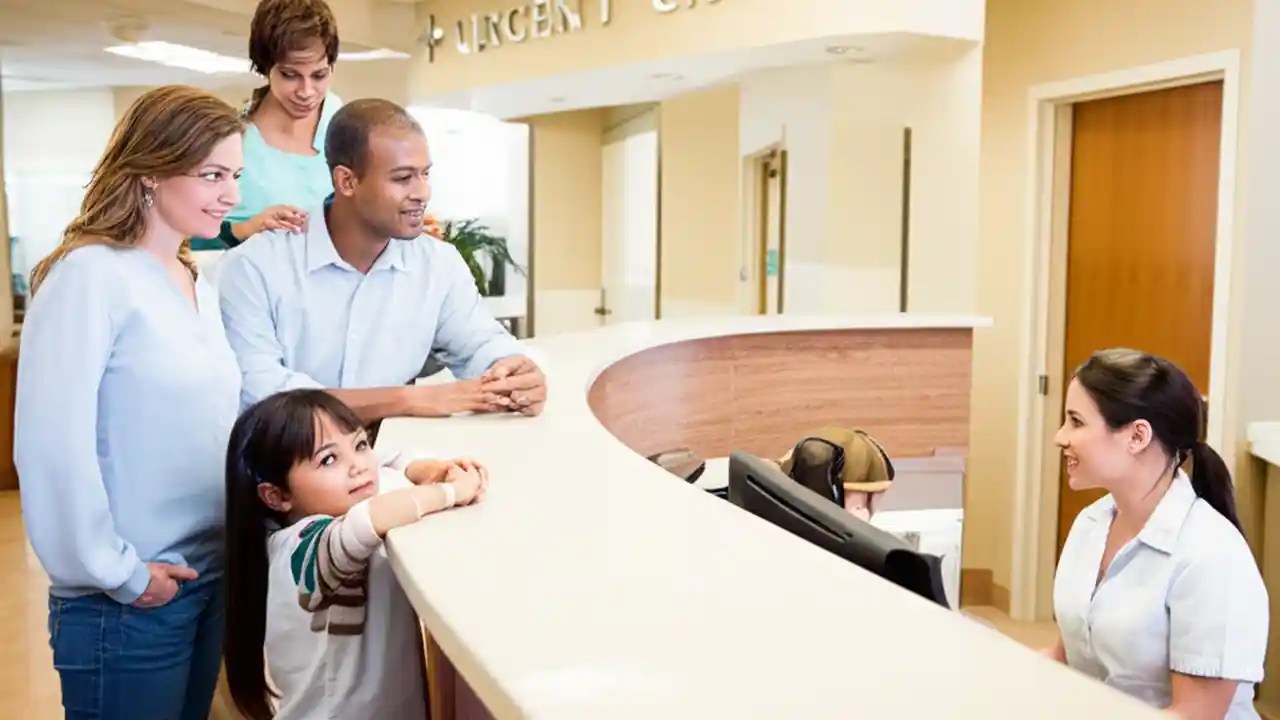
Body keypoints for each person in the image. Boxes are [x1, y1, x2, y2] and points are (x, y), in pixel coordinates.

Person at [14, 86, 245, 719]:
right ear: (150, 170)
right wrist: (121, 574)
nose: (233, 195)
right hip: (126, 598)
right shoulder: (88, 275)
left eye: (236, 175)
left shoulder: (191, 277)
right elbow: (52, 446)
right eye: (212, 175)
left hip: (204, 579)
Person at [218, 98, 547, 421]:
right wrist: (406, 399)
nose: (422, 193)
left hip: (397, 465)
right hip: (281, 468)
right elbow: (263, 392)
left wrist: (513, 370)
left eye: (425, 174)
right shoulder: (255, 266)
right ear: (347, 181)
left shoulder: (438, 265)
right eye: (403, 178)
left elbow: (480, 343)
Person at [223, 389, 488, 719]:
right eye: (328, 460)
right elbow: (367, 521)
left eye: (360, 445)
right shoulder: (303, 549)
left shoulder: (337, 502)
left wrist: (422, 468)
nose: (358, 467)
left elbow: (387, 458)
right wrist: (450, 492)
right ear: (276, 496)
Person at [1045, 349, 1268, 719]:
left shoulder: (1212, 557)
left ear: (1137, 436)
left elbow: (1194, 716)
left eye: (1076, 422)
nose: (1060, 437)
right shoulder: (1090, 524)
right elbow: (1068, 657)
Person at [193, 0, 340, 250]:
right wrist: (245, 229)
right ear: (266, 67)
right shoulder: (228, 141)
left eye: (319, 75)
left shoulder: (347, 126)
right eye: (290, 75)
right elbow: (183, 241)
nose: (307, 92)